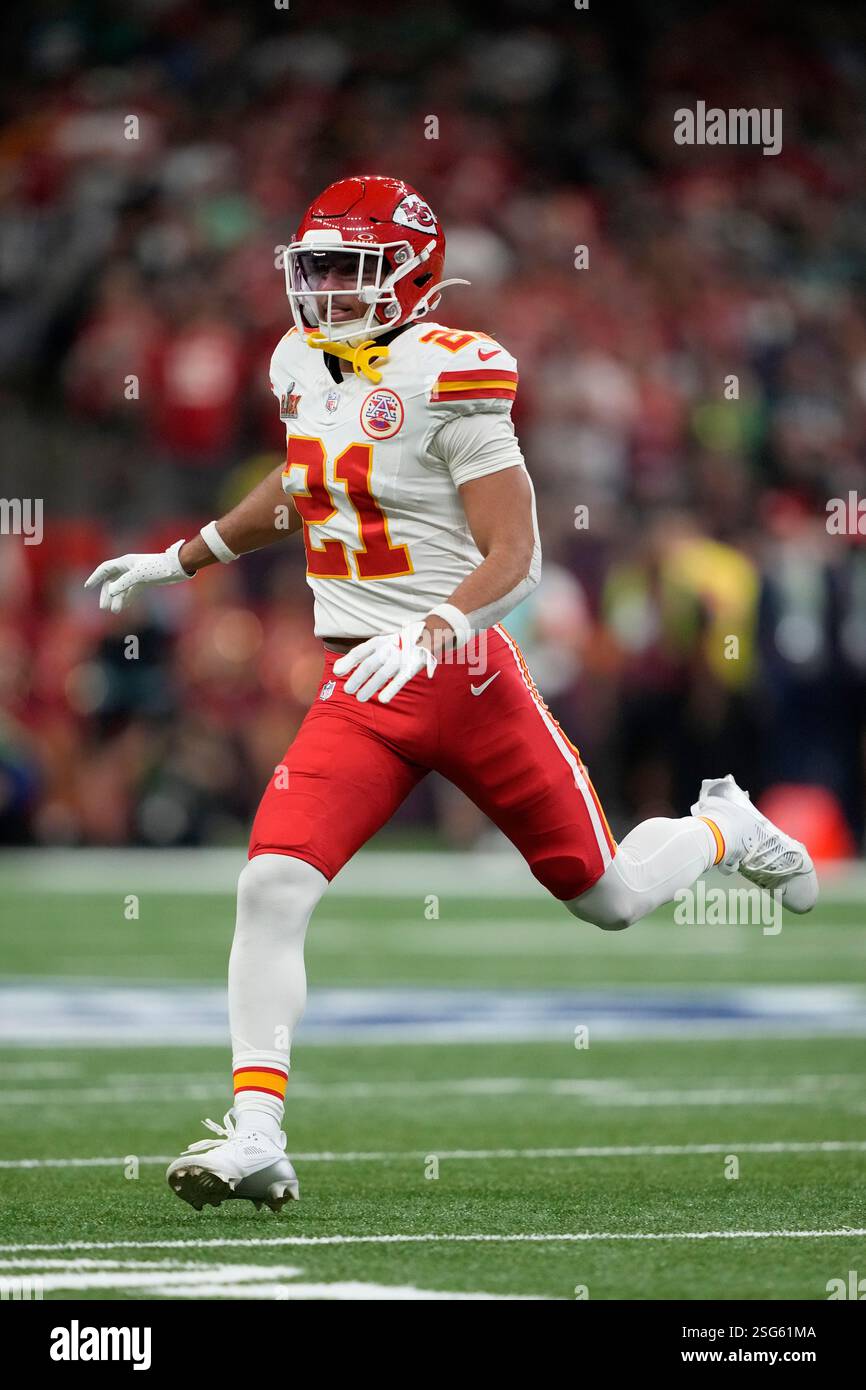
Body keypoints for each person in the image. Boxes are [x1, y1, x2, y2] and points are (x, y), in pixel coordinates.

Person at [85, 175, 818, 1214]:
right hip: (359, 681)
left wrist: (433, 626)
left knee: (606, 897)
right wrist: (183, 557)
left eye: (351, 267)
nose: (329, 288)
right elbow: (302, 484)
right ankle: (257, 1132)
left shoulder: (452, 371)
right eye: (318, 266)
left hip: (462, 676)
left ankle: (719, 824)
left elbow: (515, 555)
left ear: (412, 272)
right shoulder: (299, 361)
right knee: (270, 886)